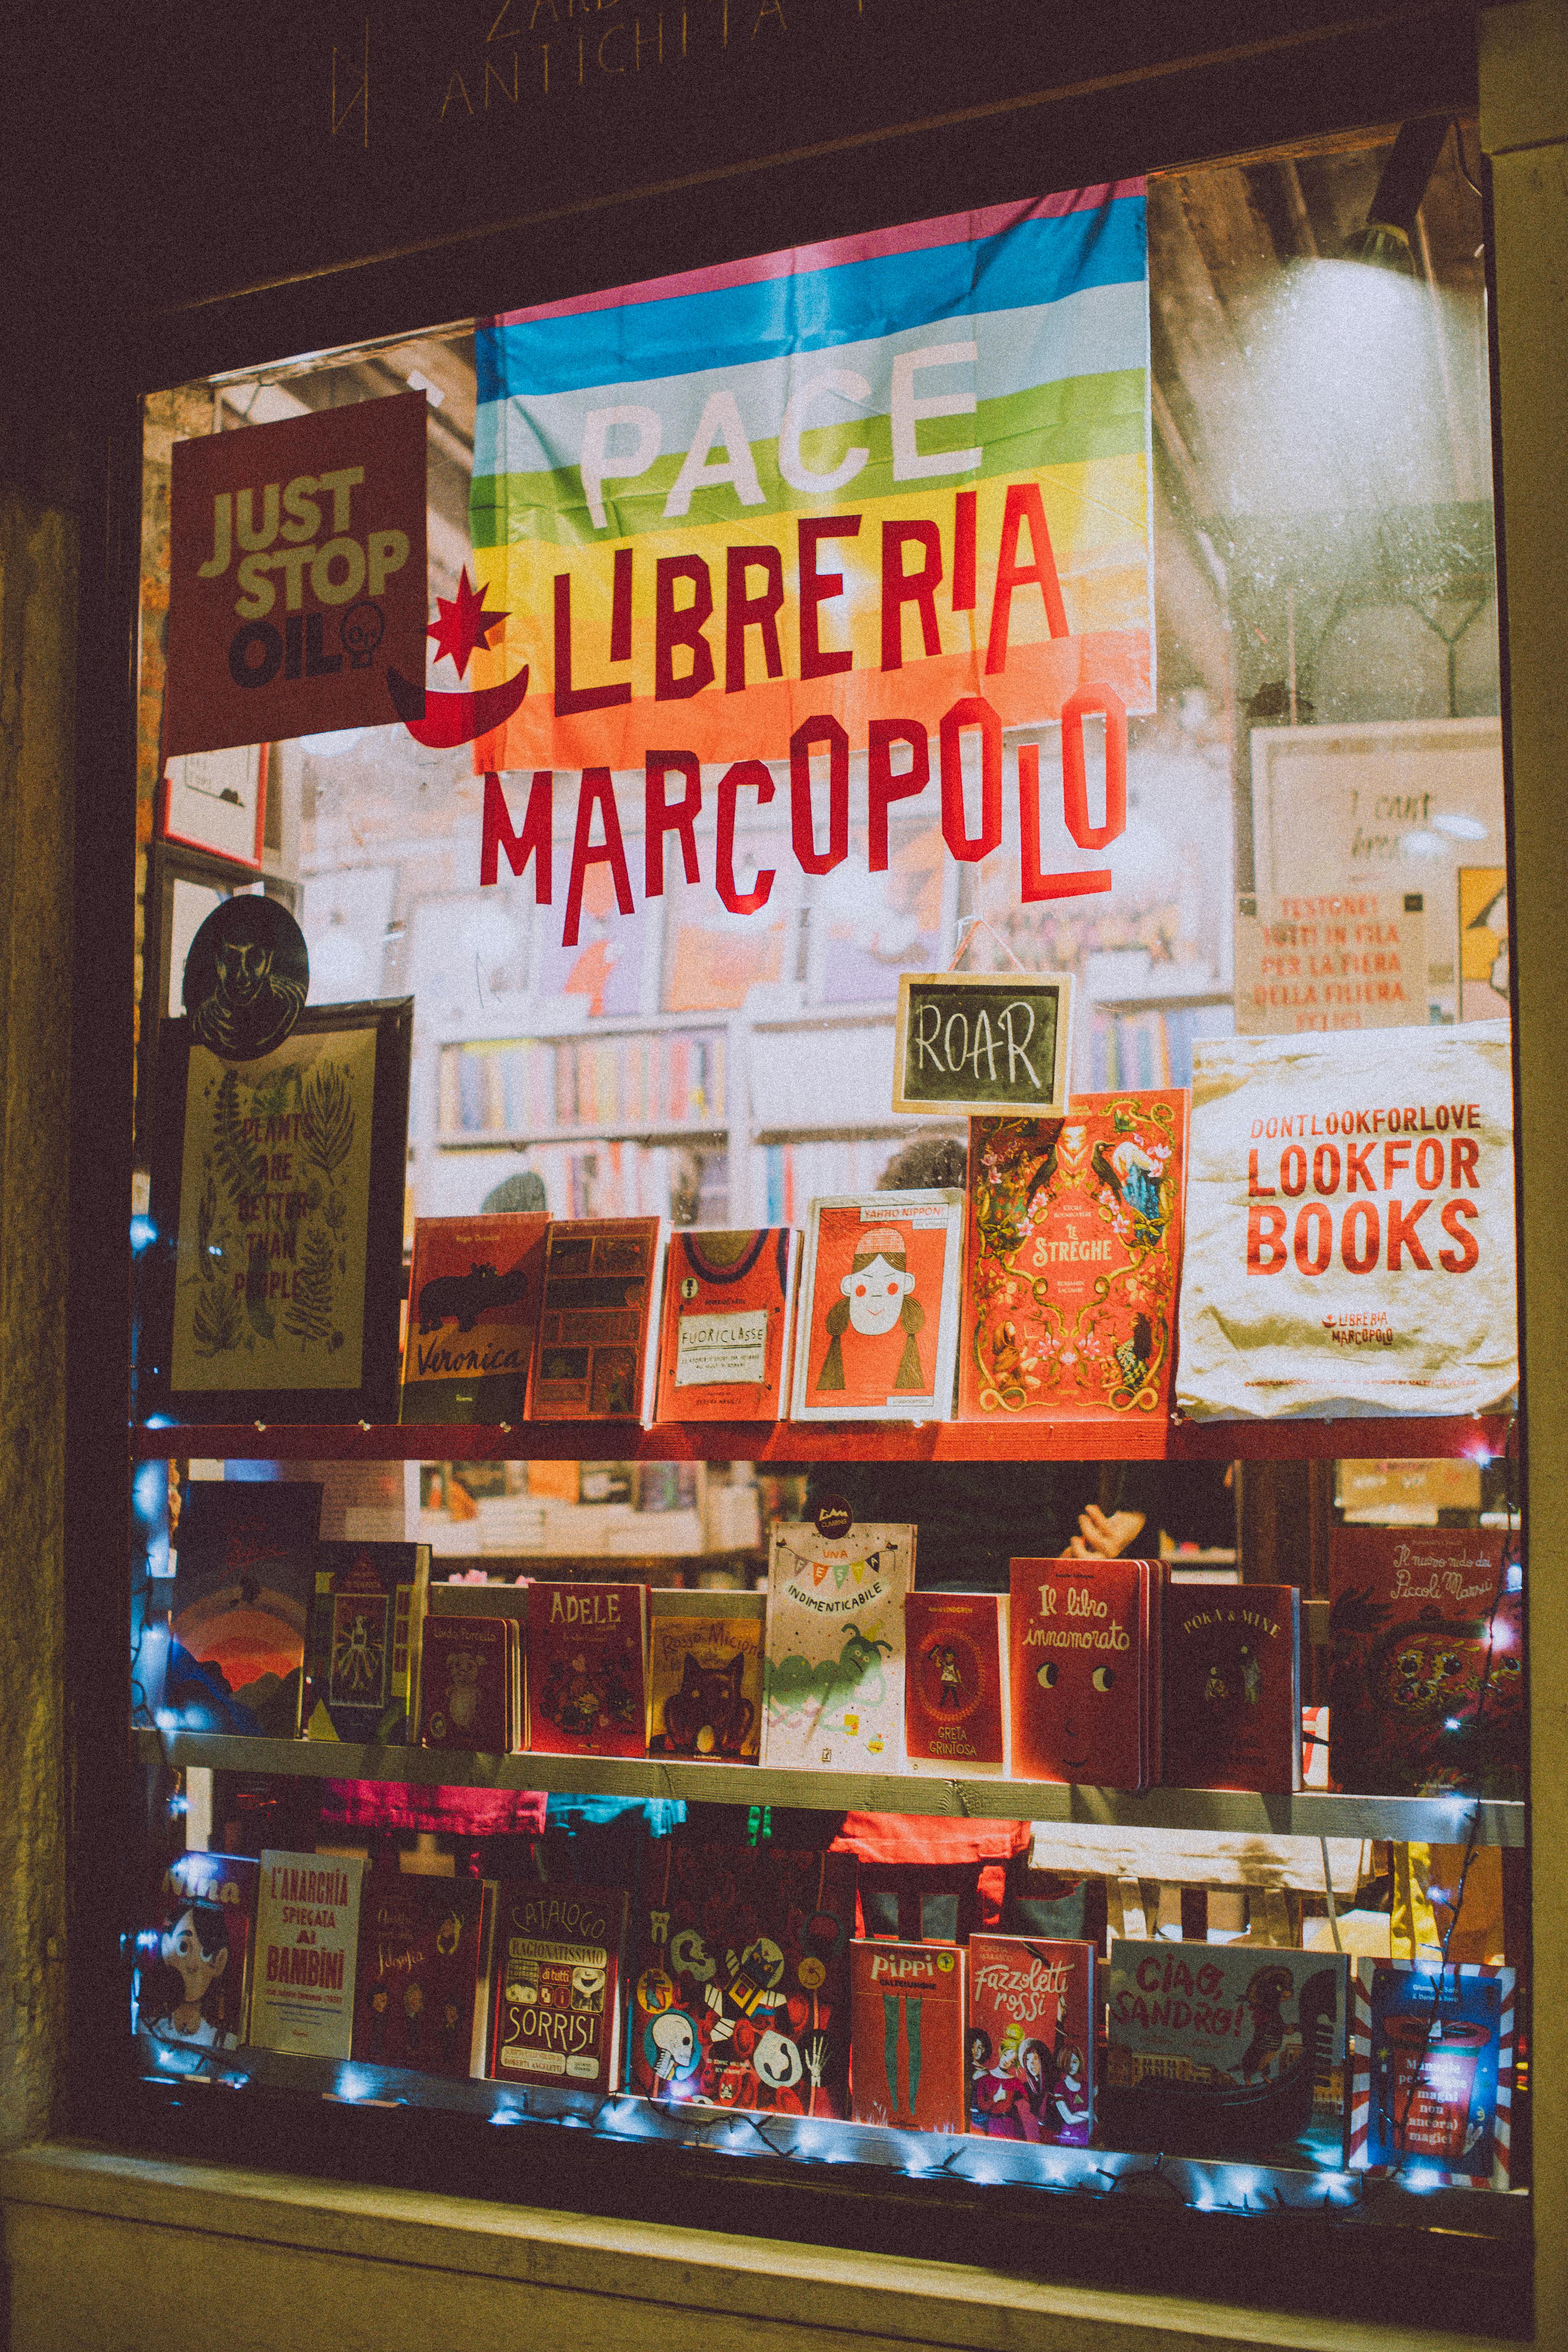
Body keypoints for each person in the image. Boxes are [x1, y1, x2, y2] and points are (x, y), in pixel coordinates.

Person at [804, 1133, 1159, 1586]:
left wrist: (1128, 1517)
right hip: (915, 1593)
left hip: (1029, 1587)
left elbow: (1141, 1397)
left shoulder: (1045, 1334)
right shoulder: (870, 1347)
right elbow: (827, 1518)